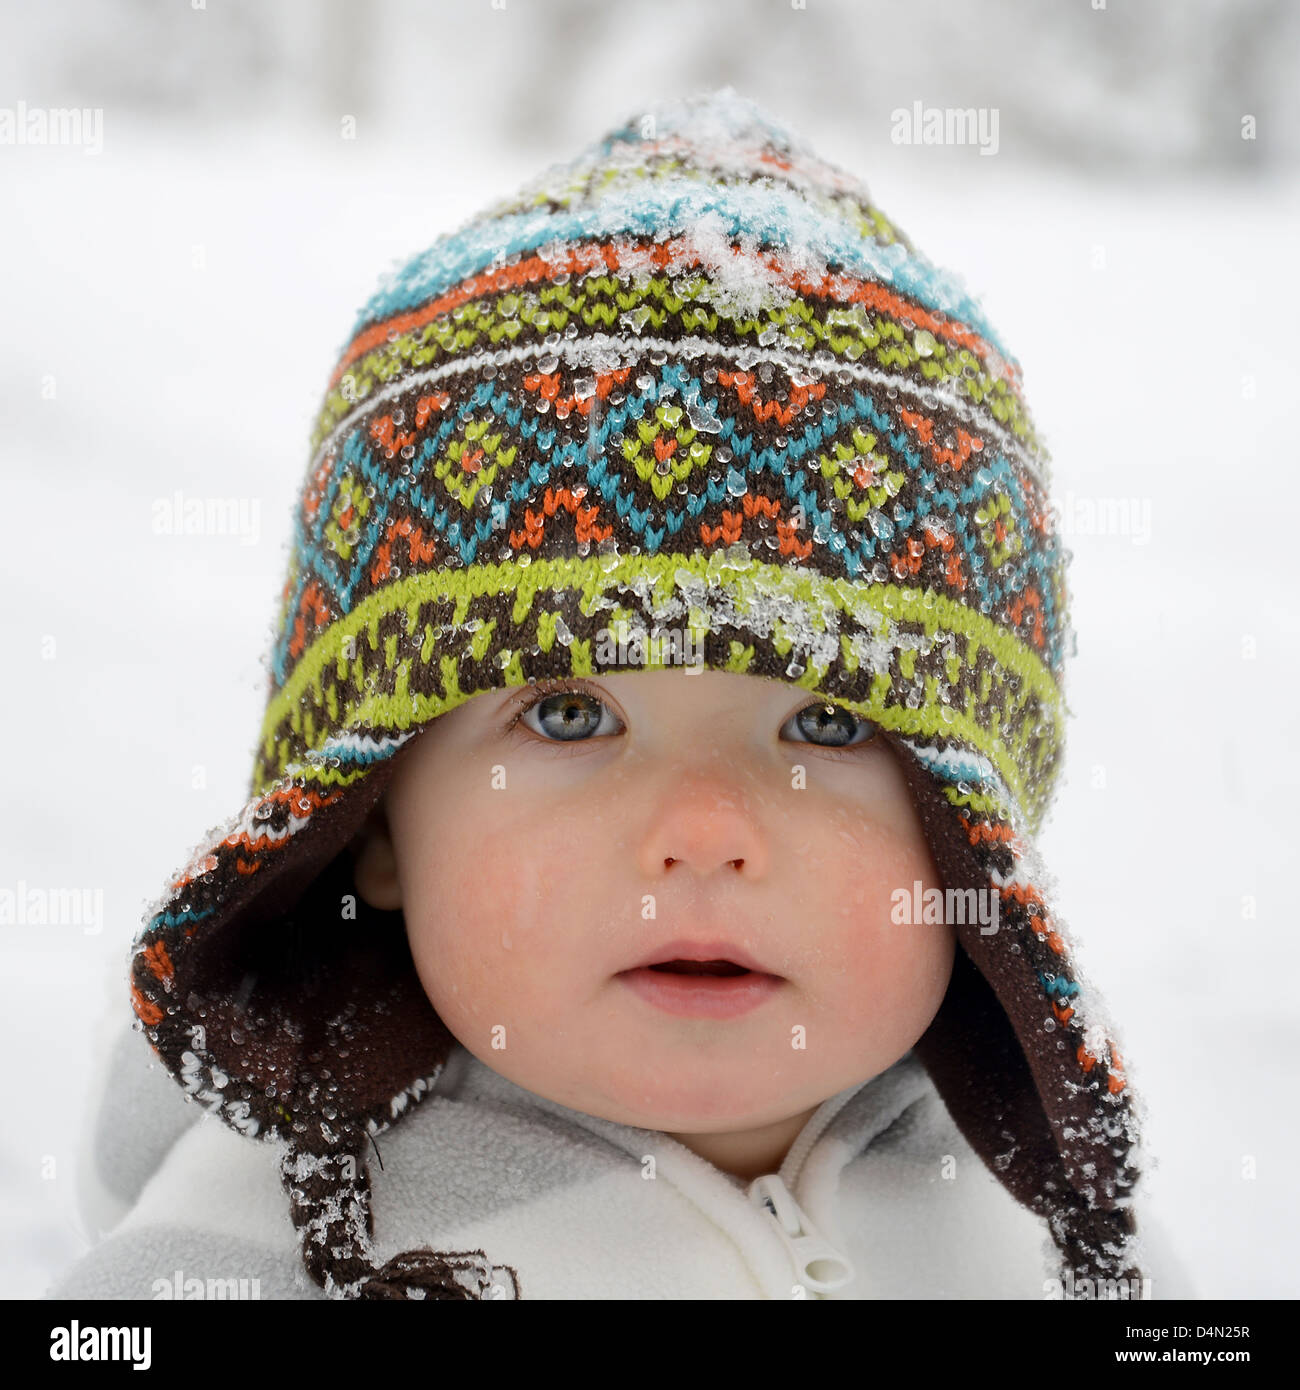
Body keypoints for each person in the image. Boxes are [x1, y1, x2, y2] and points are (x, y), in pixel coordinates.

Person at [45, 86, 1196, 1301]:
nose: (704, 831)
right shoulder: (247, 1258)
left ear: (972, 838)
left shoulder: (1059, 1240)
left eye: (826, 722)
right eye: (569, 714)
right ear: (372, 819)